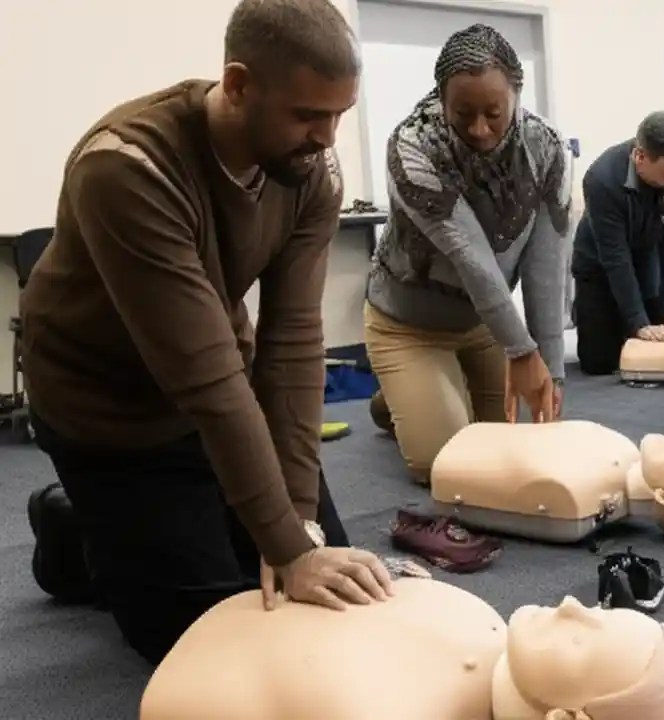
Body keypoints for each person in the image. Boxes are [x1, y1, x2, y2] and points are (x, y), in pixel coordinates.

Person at [18, 0, 393, 665]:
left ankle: (137, 530)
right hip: (107, 413)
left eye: (339, 114)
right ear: (239, 84)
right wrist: (286, 548)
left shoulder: (308, 171)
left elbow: (293, 341)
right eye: (308, 115)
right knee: (207, 633)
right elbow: (206, 379)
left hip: (217, 389)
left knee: (326, 589)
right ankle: (78, 531)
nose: (328, 137)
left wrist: (299, 529)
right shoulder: (127, 167)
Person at [365, 24, 570, 482]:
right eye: (464, 113)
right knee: (447, 463)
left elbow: (546, 265)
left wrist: (552, 372)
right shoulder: (412, 146)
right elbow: (469, 252)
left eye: (494, 113)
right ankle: (398, 396)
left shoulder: (547, 149)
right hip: (408, 326)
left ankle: (422, 391)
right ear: (441, 99)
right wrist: (521, 350)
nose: (480, 129)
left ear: (516, 95)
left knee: (521, 441)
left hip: (483, 326)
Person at [570, 111, 664, 375]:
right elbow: (614, 257)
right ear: (640, 157)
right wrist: (638, 323)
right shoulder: (601, 179)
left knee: (657, 348)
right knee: (600, 363)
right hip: (599, 263)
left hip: (646, 258)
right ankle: (586, 314)